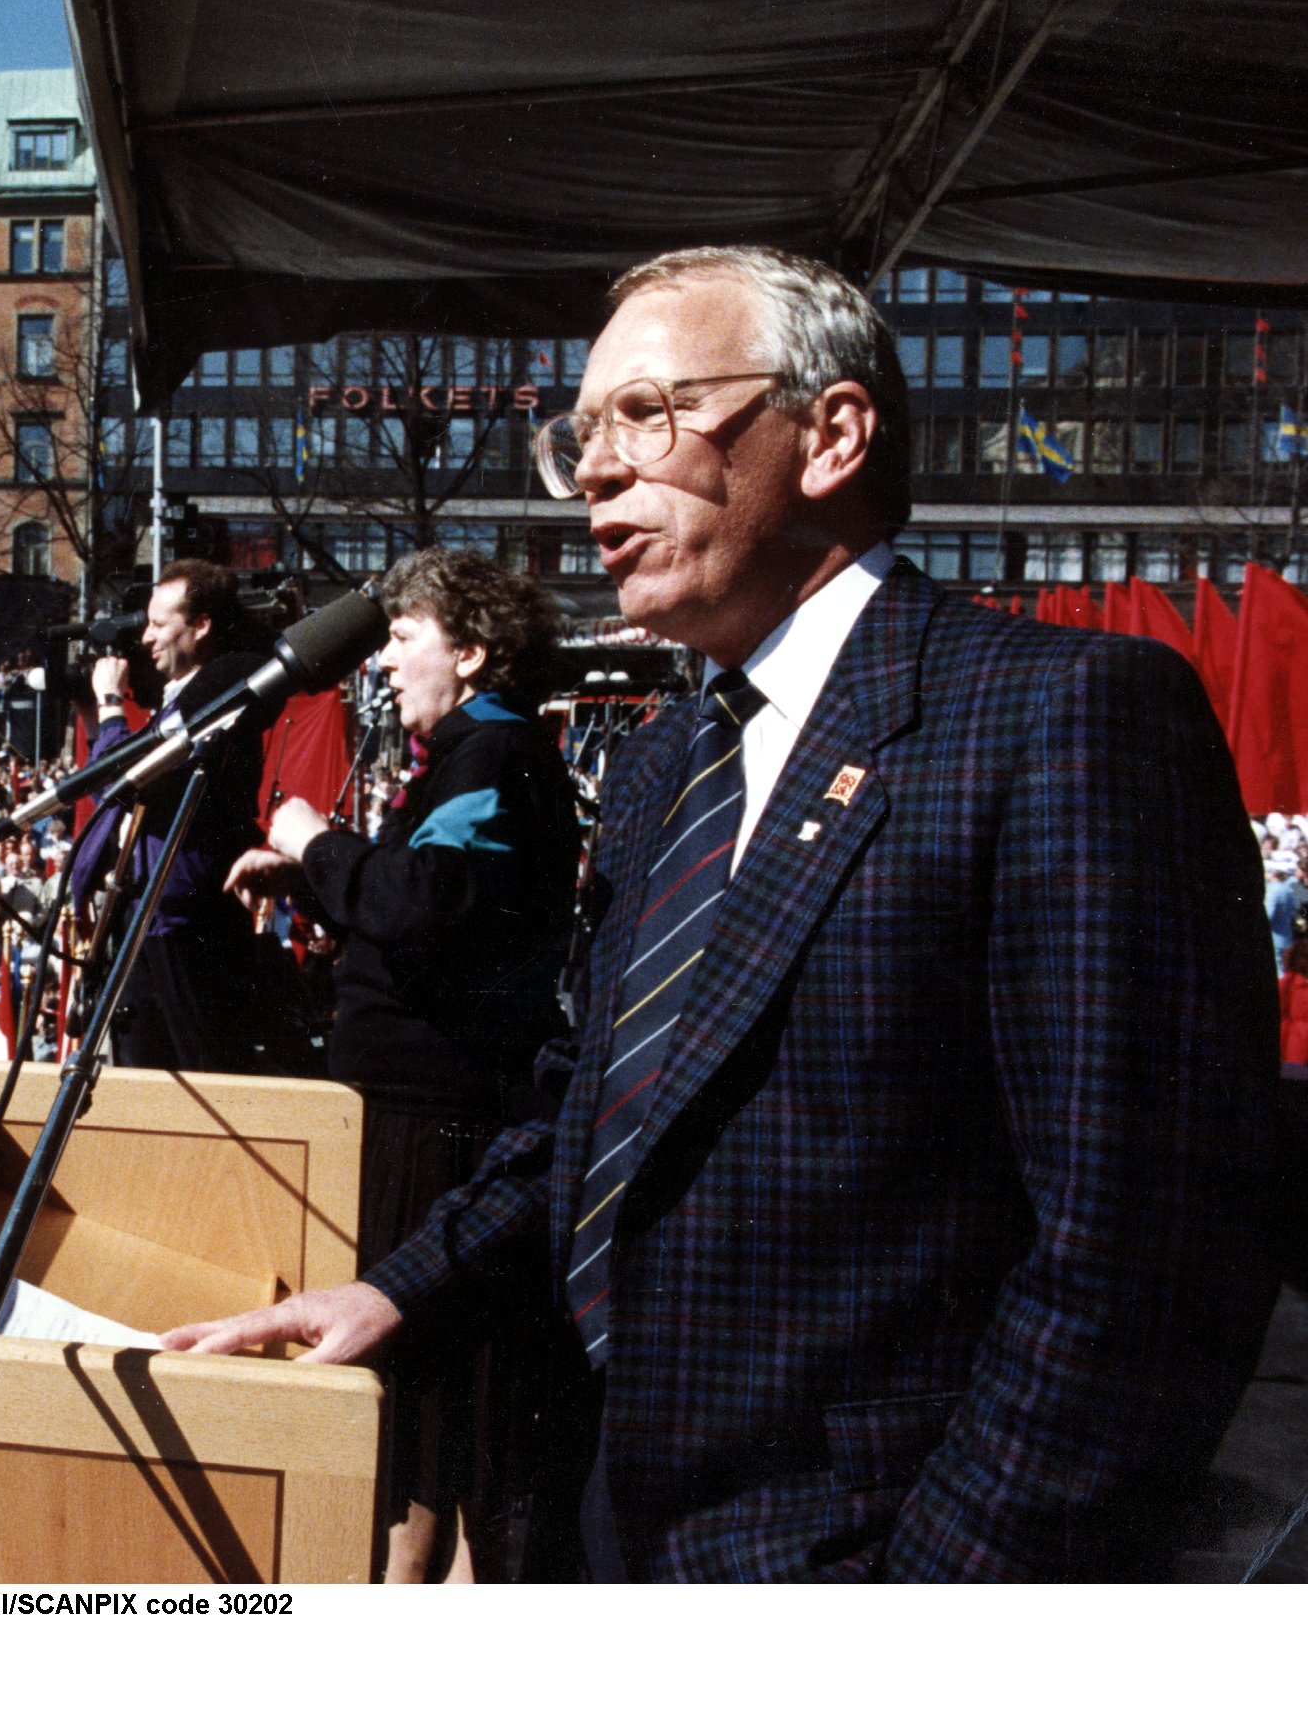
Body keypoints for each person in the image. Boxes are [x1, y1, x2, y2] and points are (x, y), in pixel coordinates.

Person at [168, 245, 1279, 1580]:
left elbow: (1144, 1270)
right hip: (607, 1537)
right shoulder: (664, 760)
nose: (591, 471)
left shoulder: (1063, 717)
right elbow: (591, 1113)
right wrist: (404, 1285)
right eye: (579, 435)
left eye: (645, 415)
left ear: (834, 436)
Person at [227, 547, 578, 1582]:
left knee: (437, 1407)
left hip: (439, 1124)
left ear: (468, 652)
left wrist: (316, 838)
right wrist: (315, 880)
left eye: (404, 639)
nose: (382, 662)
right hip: (416, 1110)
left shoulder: (496, 752)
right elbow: (432, 912)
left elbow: (424, 905)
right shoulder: (469, 756)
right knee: (426, 1426)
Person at [71, 559, 269, 1071]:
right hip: (147, 917)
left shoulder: (215, 695)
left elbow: (124, 785)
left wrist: (112, 705)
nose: (146, 637)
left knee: (199, 1076)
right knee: (145, 1084)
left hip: (183, 922)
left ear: (201, 625)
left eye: (160, 624)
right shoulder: (178, 703)